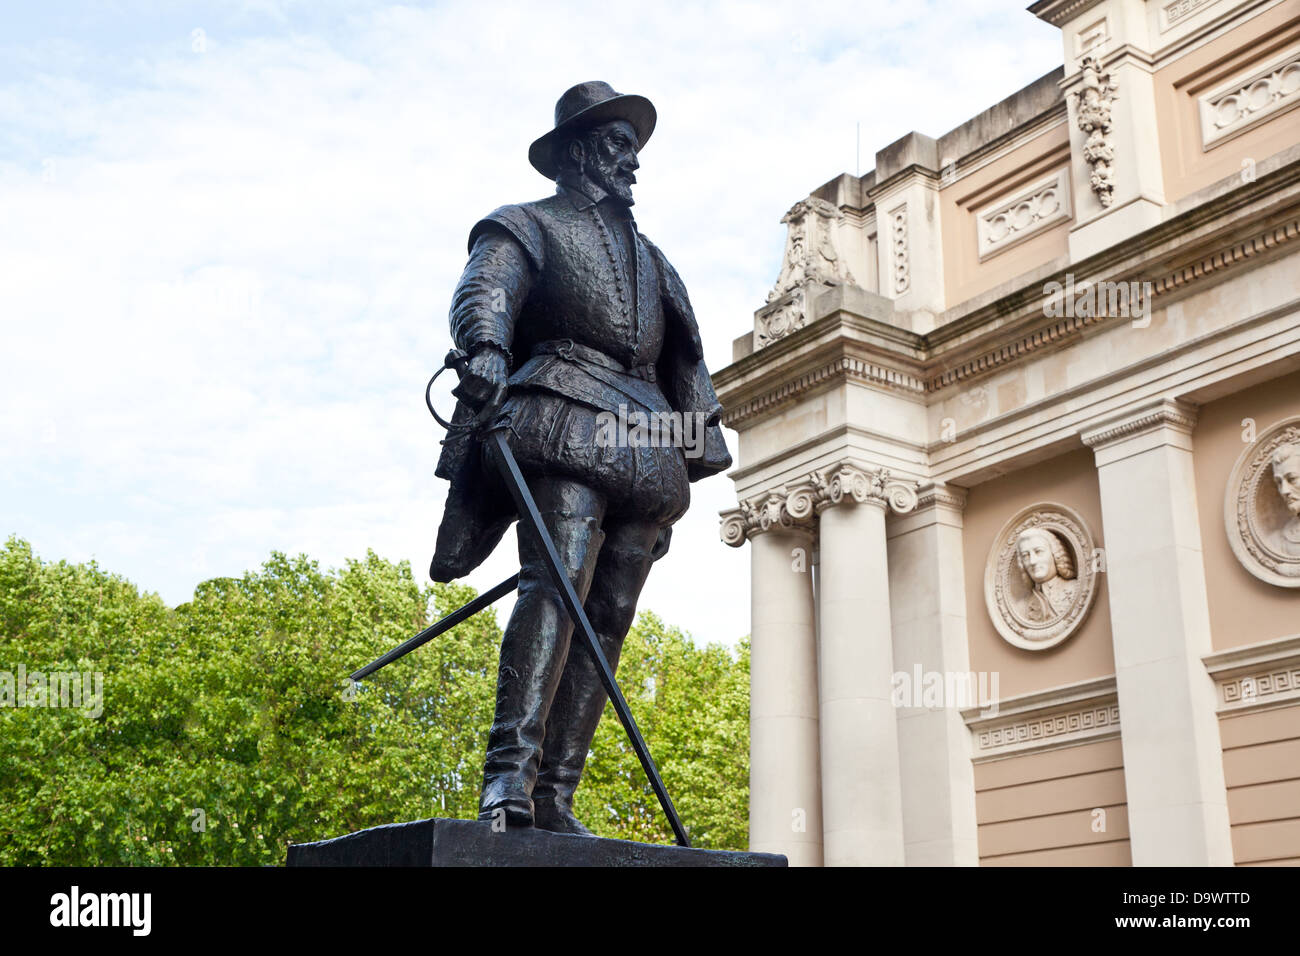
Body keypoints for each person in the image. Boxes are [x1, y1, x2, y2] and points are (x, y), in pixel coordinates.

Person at [428, 82, 731, 834]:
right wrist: (489, 348)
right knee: (557, 584)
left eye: (632, 145)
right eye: (613, 143)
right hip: (563, 411)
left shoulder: (654, 259)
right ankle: (508, 778)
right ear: (573, 153)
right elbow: (485, 291)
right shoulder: (524, 224)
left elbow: (680, 357)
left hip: (648, 443)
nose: (630, 159)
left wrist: (695, 443)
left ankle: (555, 795)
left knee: (611, 614)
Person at [1014, 527, 1078, 625]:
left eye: (1038, 551)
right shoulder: (1020, 607)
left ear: (1055, 554)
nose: (1032, 561)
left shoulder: (1075, 589)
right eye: (1026, 556)